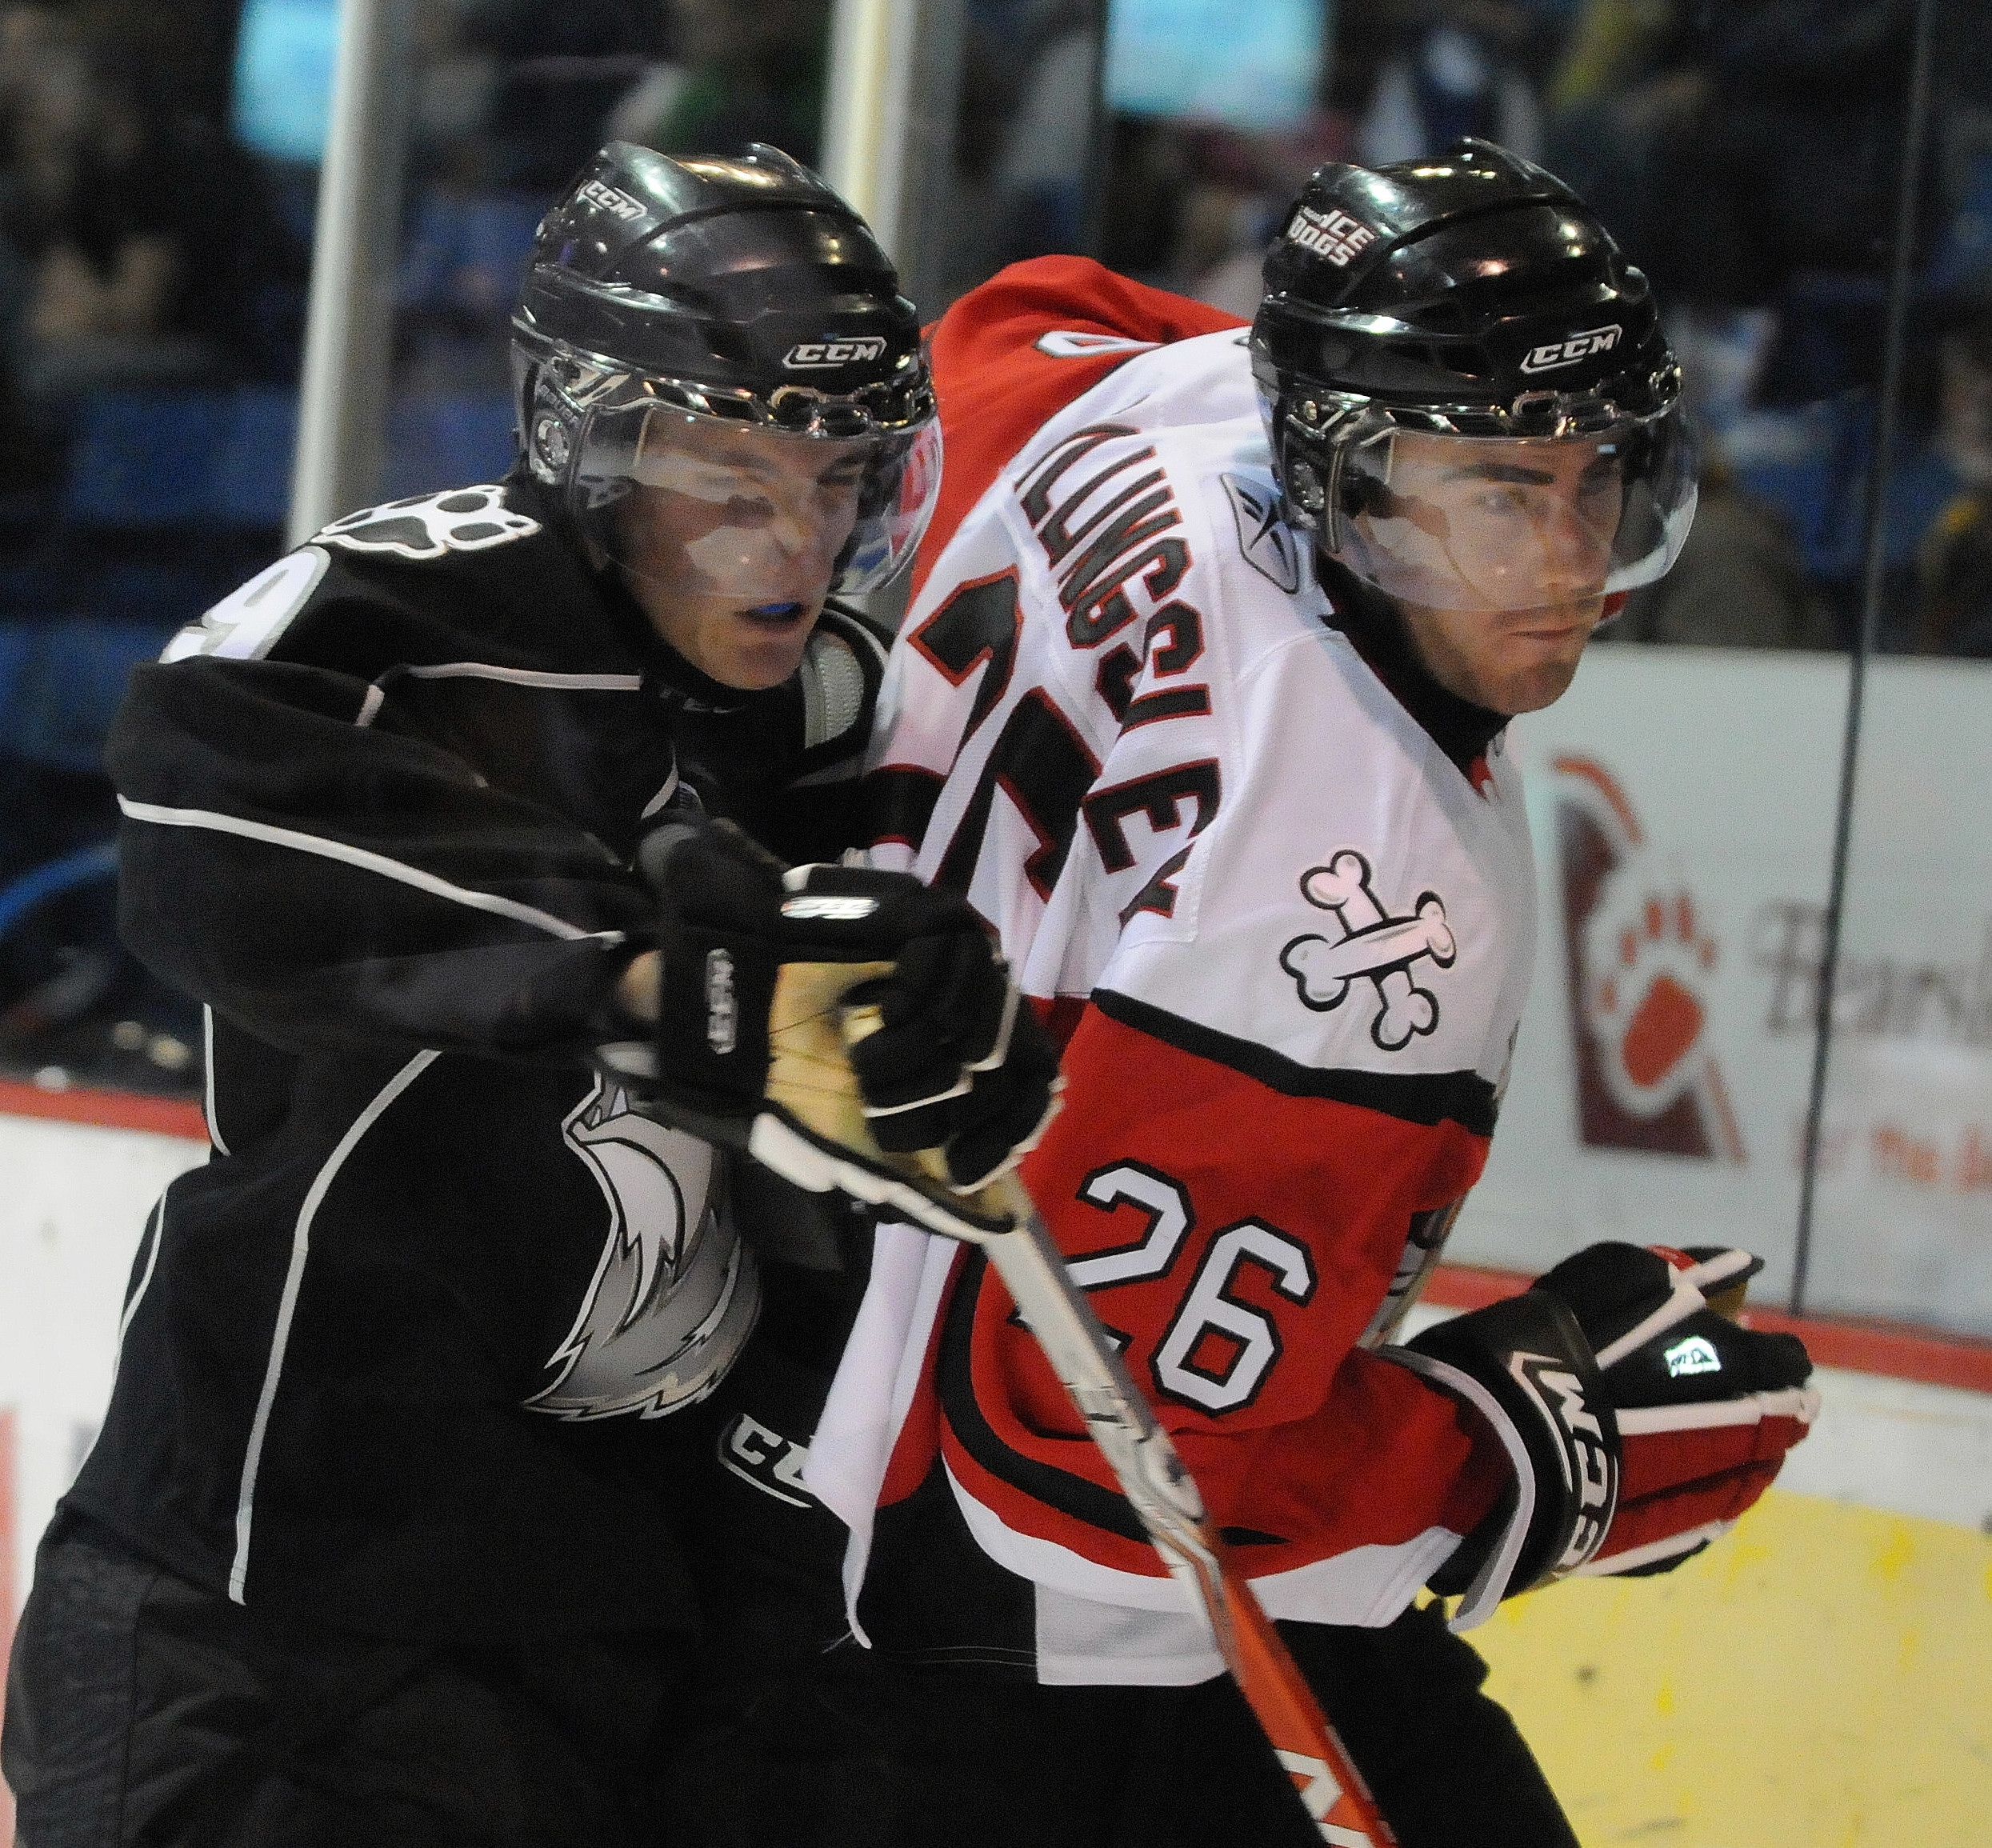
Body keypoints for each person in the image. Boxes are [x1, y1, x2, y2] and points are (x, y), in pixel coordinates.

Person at [661, 139, 1821, 1848]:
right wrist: (1515, 1463)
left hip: (785, 1366)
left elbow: (1014, 318)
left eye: (1605, 480)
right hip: (989, 1625)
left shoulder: (1161, 399)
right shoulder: (1366, 899)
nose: (1568, 554)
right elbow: (1077, 1467)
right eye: (1501, 490)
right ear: (1337, 470)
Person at [0, 140, 1056, 1848]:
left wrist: (952, 1029)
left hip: (623, 1630)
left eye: (842, 473)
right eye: (731, 473)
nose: (795, 539)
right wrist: (643, 973)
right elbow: (194, 804)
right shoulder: (432, 606)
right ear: (585, 435)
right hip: (278, 1625)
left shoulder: (848, 718)